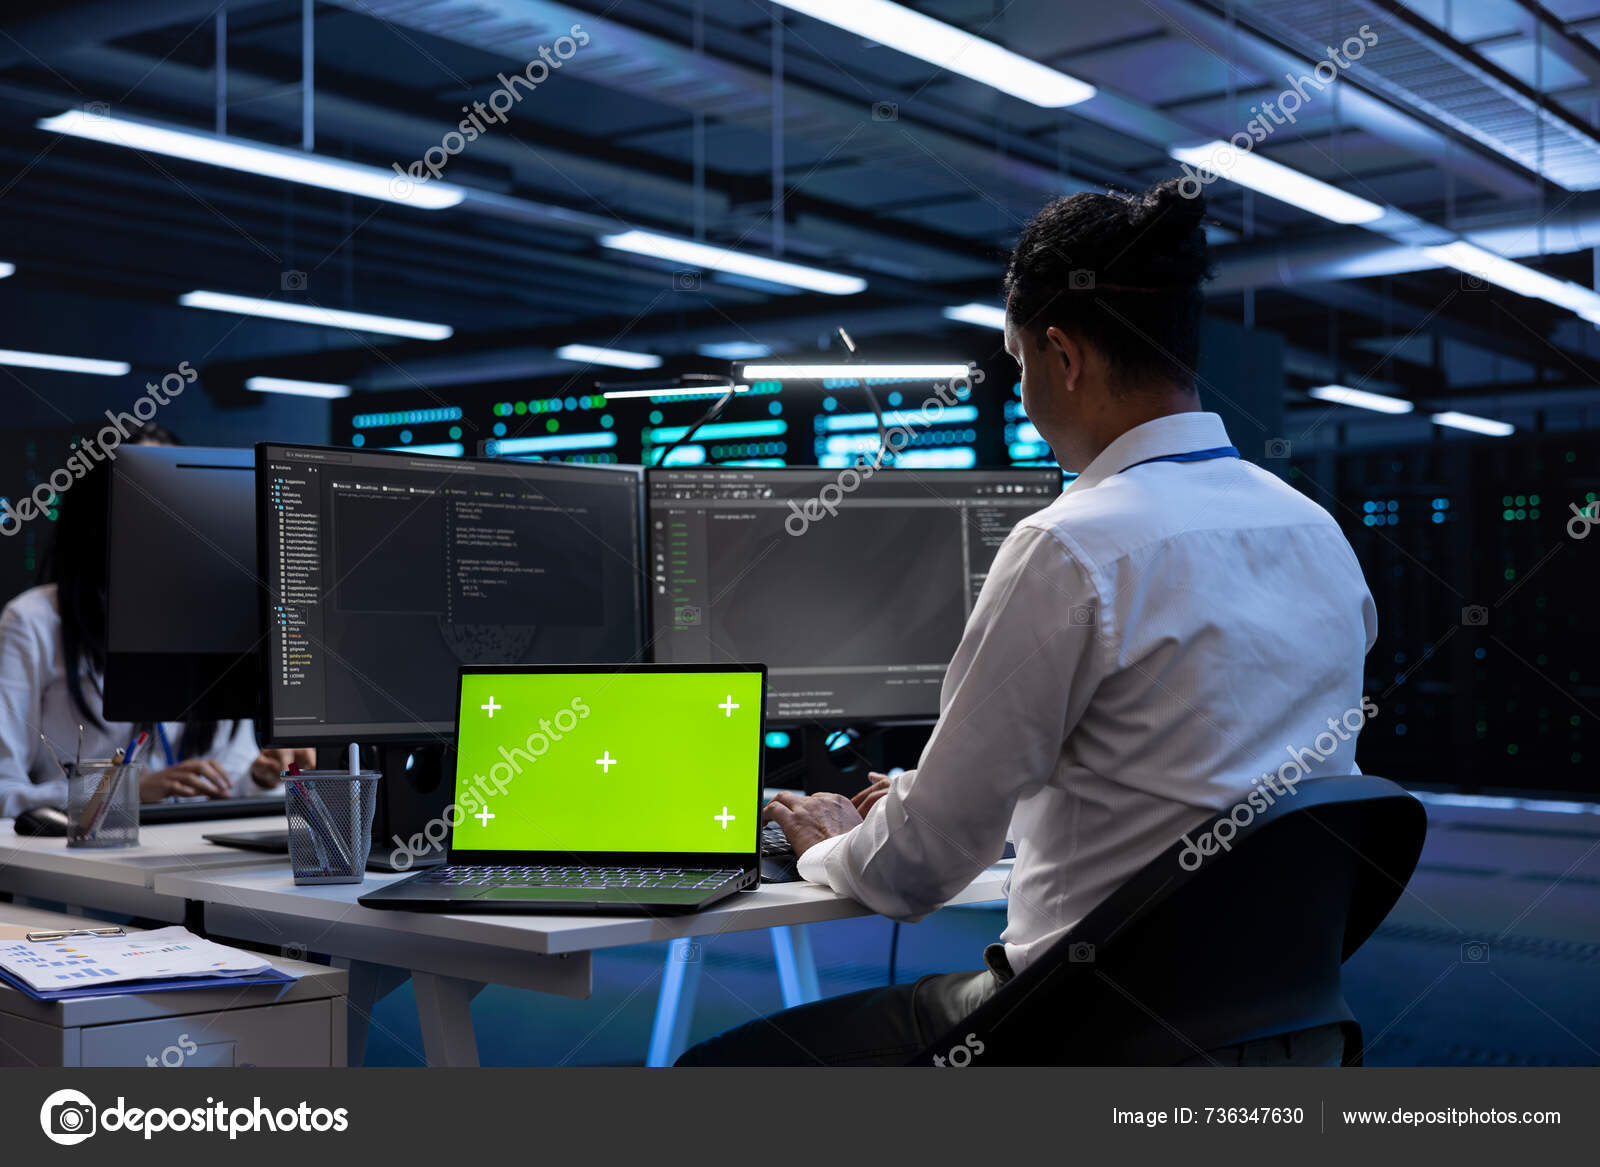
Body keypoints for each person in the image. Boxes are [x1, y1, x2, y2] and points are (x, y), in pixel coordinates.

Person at [679, 180, 1378, 1066]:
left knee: (710, 1072)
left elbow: (916, 872)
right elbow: (1183, 791)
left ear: (1062, 353)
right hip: (1284, 1034)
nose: (1021, 394)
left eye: (1017, 363)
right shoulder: (1315, 533)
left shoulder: (1070, 546)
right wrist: (940, 797)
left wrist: (834, 841)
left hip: (1077, 1034)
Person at [0, 425, 312, 817]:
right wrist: (124, 790)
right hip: (88, 856)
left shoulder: (215, 617)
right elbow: (3, 792)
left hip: (196, 849)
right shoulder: (33, 621)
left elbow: (228, 774)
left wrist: (260, 777)